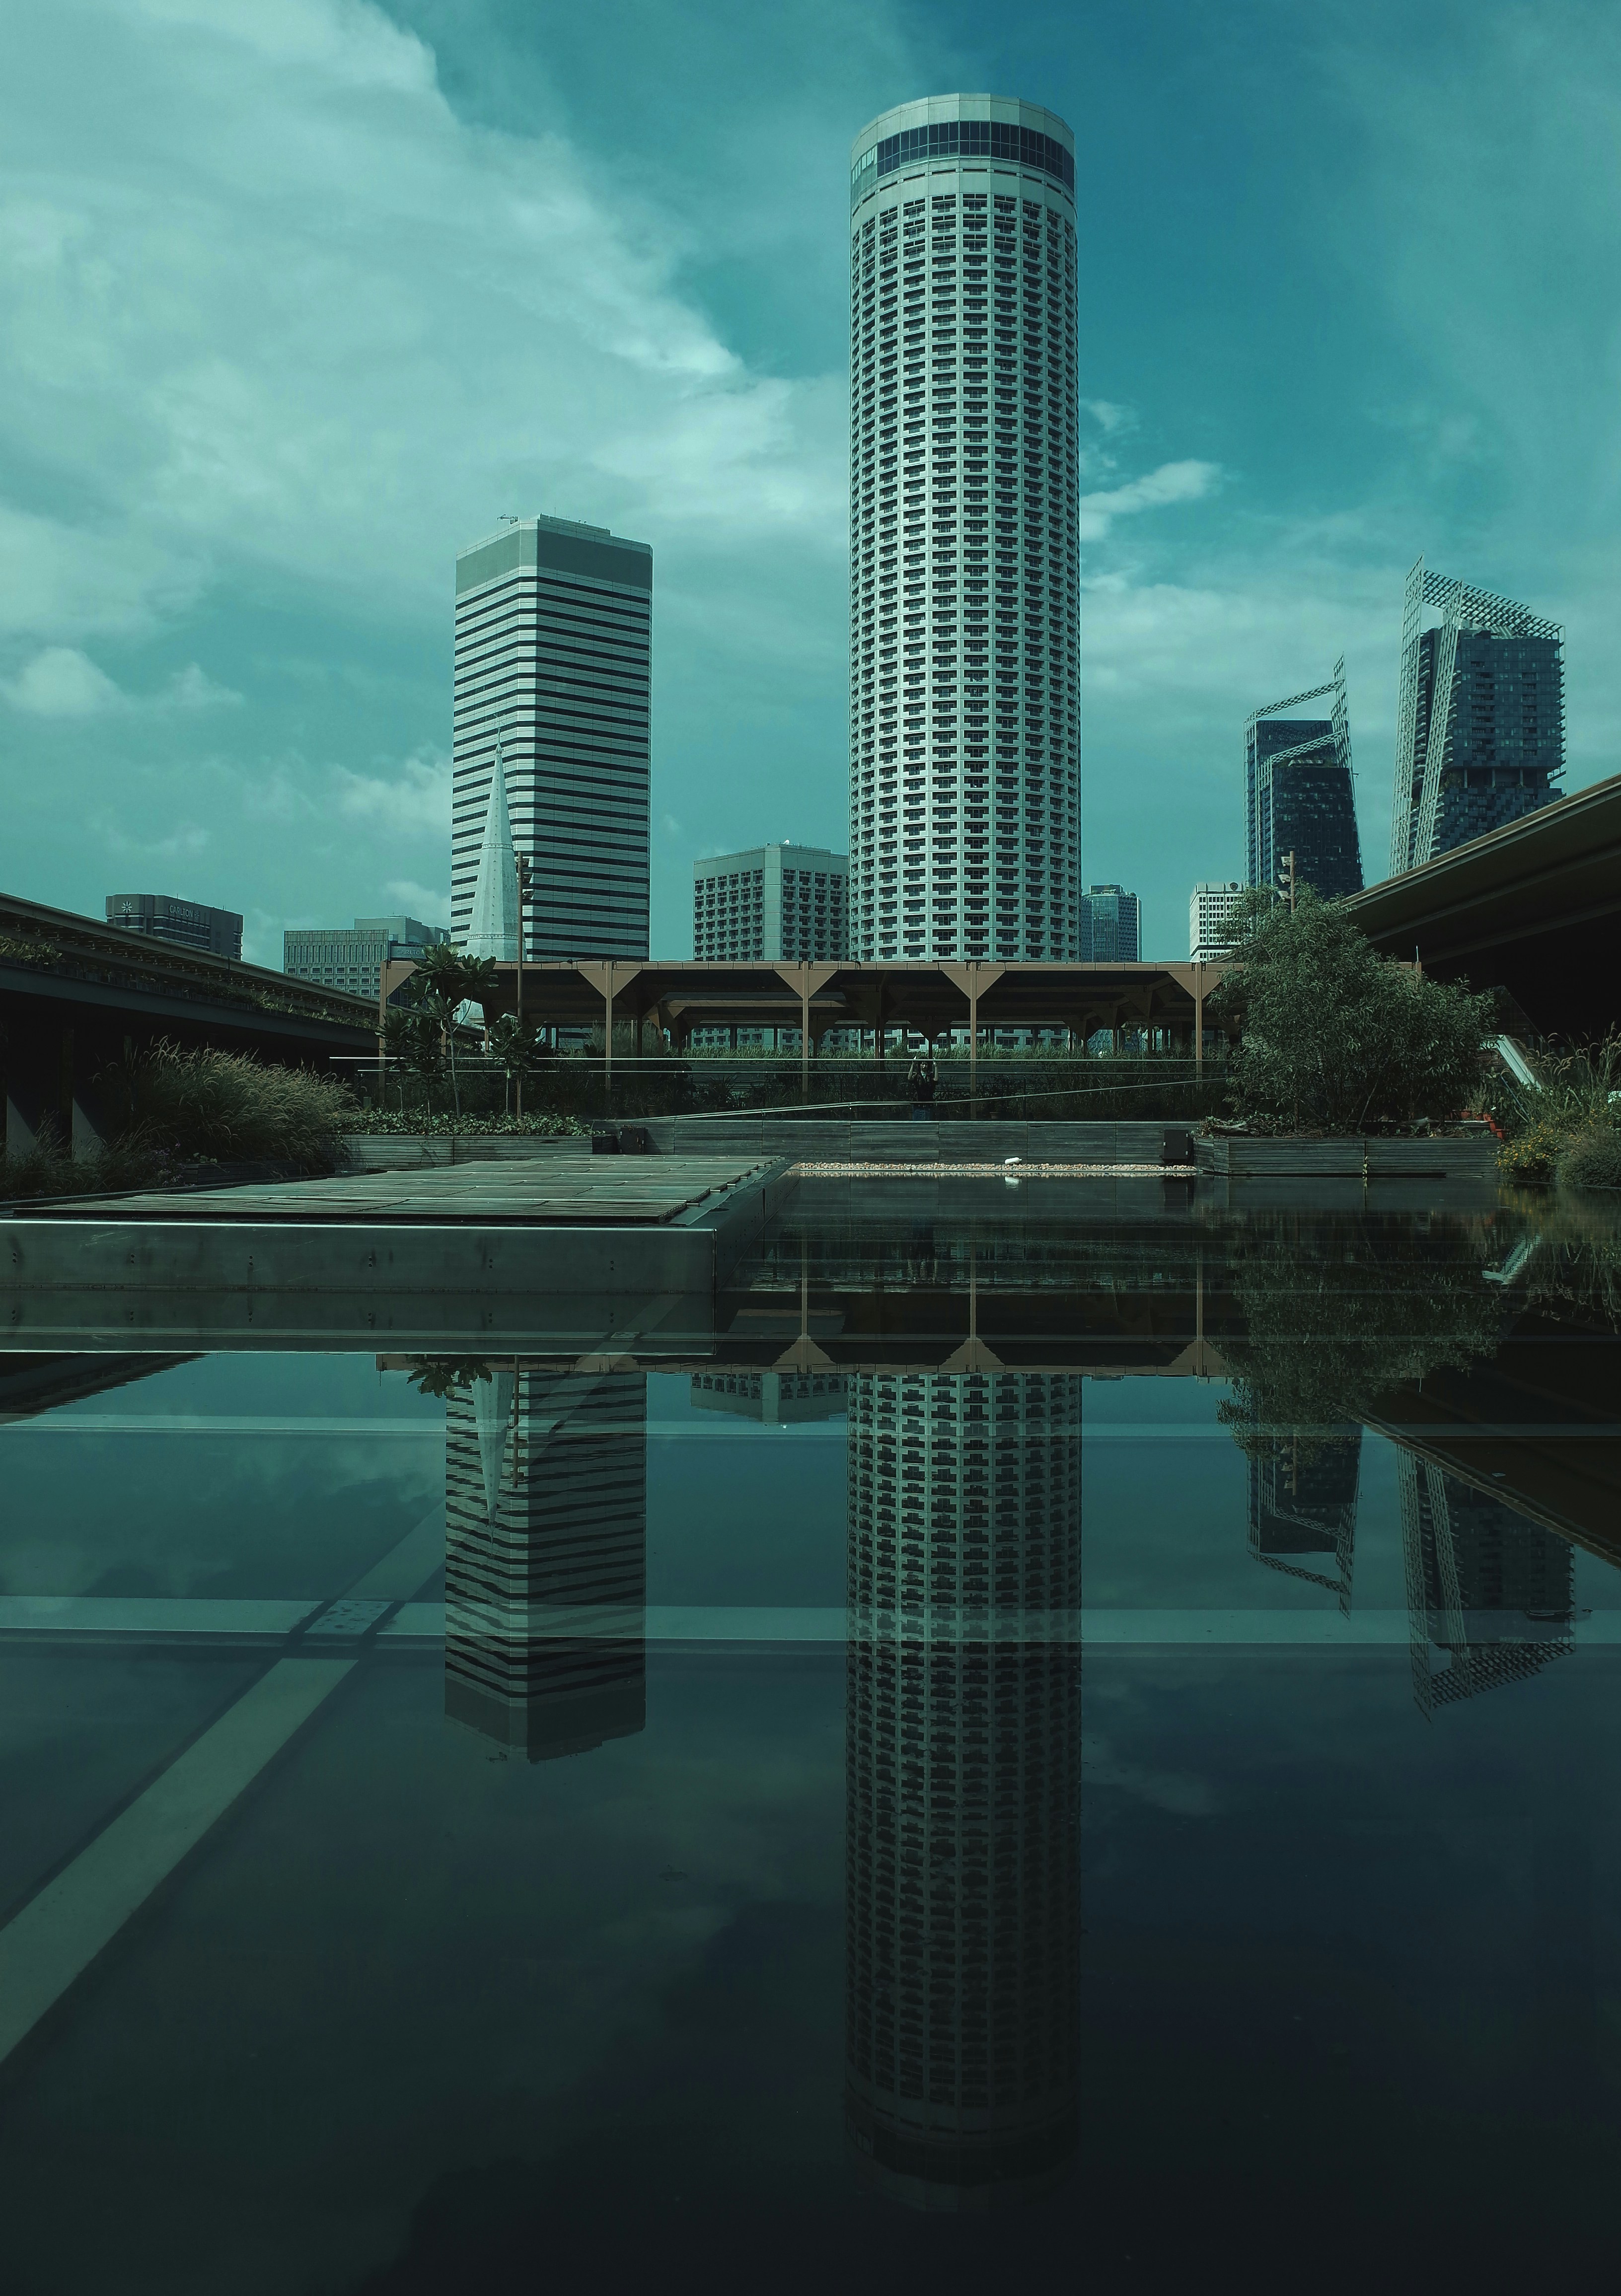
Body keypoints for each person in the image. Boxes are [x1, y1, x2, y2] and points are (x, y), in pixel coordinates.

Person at [906, 1051, 937, 1121]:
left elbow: (936, 1080)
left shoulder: (930, 1075)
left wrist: (936, 1066)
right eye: (922, 1064)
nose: (924, 1066)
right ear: (920, 1065)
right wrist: (913, 1064)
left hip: (928, 1103)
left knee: (929, 1123)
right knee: (917, 1125)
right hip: (918, 1103)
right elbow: (909, 1078)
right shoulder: (917, 1075)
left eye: (926, 1064)